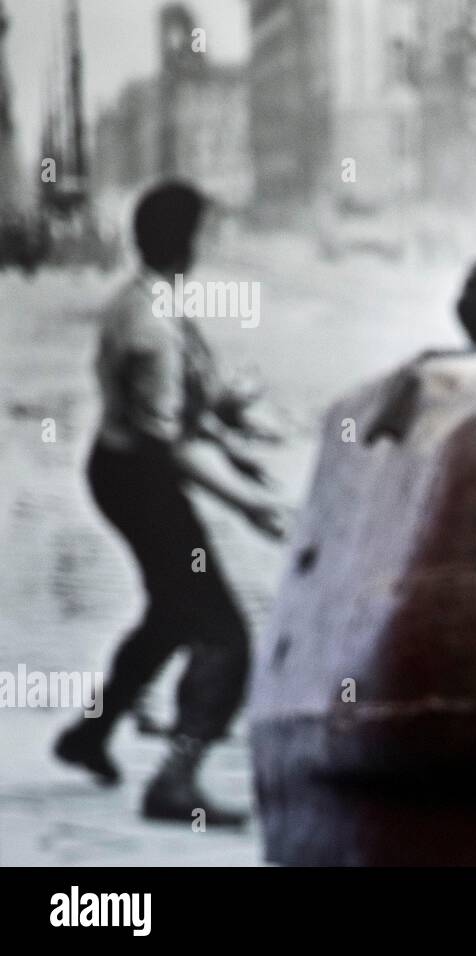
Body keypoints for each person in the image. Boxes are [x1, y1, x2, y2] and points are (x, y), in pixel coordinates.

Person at [54, 181, 287, 826]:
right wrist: (245, 502)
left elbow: (178, 407)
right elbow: (166, 447)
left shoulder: (144, 300)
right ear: (184, 240)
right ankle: (176, 781)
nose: (209, 244)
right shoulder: (153, 323)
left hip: (122, 470)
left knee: (170, 613)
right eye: (203, 232)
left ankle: (90, 734)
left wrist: (227, 422)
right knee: (223, 635)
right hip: (140, 483)